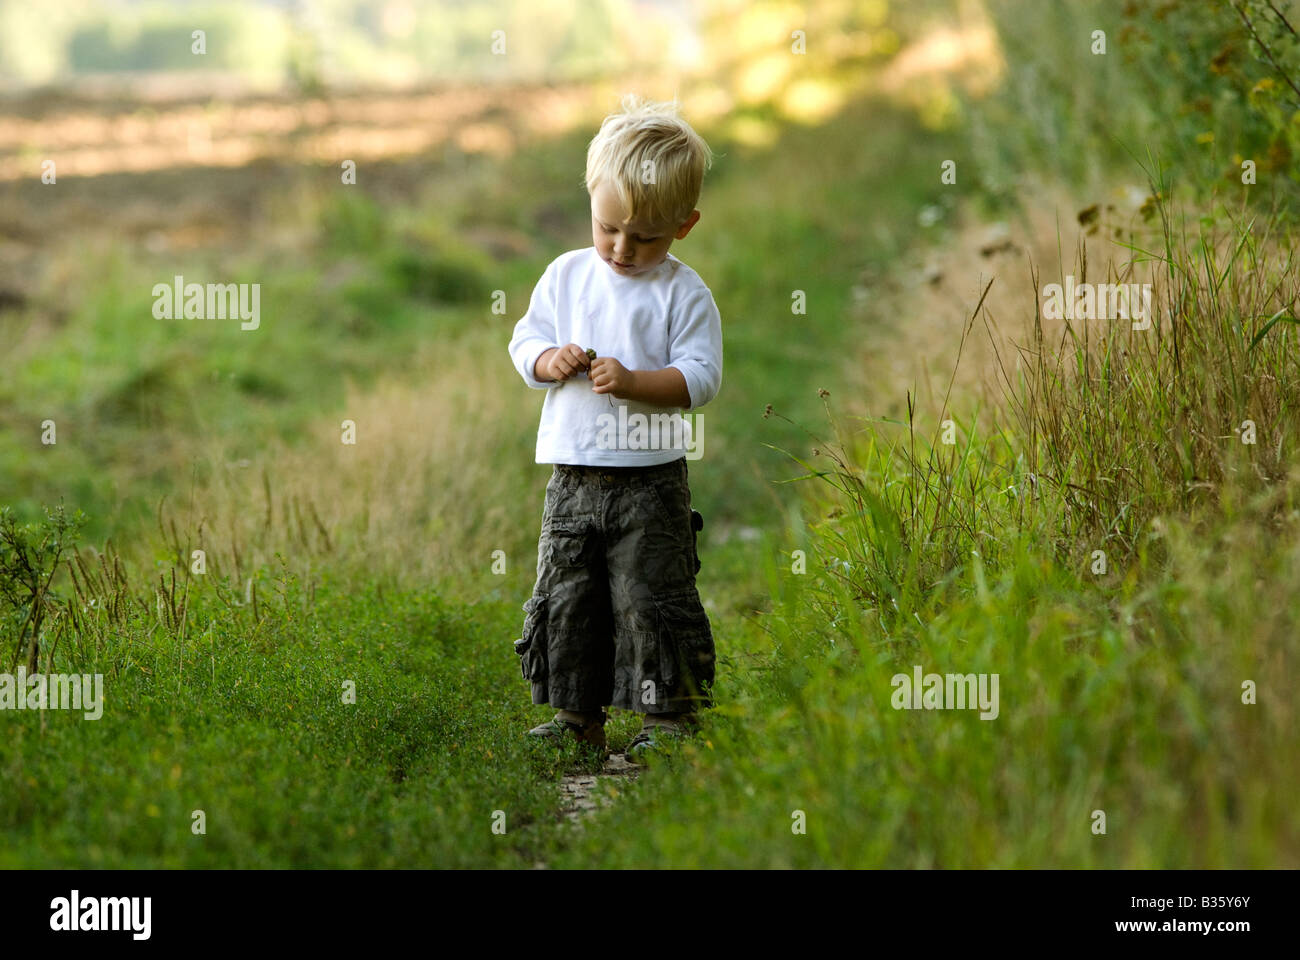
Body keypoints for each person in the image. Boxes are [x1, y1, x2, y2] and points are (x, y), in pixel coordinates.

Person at [507, 94, 722, 761]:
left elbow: (700, 379)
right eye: (609, 229)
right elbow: (525, 344)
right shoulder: (567, 276)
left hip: (650, 482)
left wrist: (634, 382)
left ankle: (672, 719)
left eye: (646, 236)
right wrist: (550, 360)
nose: (623, 248)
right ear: (592, 206)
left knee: (650, 594)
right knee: (571, 591)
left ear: (684, 226)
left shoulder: (682, 294)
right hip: (572, 475)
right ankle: (577, 719)